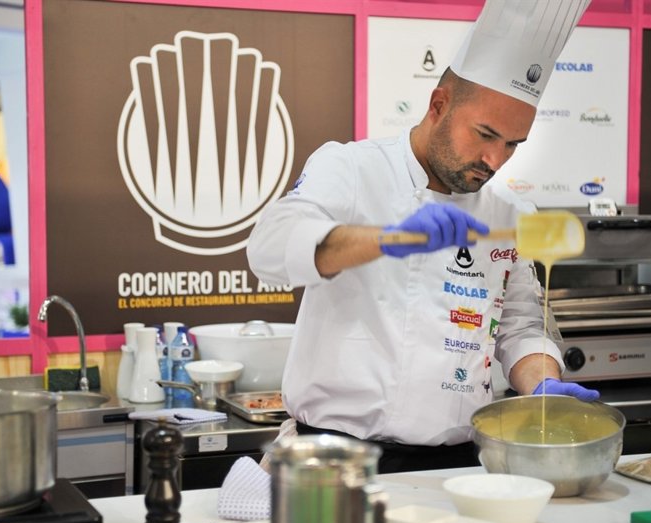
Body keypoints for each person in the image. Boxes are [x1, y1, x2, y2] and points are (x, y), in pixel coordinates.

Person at [247, 0, 598, 474]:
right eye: (485, 134)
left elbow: (519, 326)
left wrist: (542, 383)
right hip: (331, 462)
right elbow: (269, 248)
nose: (495, 160)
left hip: (455, 468)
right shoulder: (351, 168)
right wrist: (388, 239)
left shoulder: (509, 214)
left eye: (512, 144)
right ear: (439, 105)